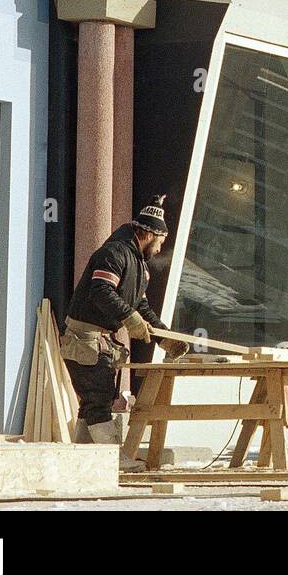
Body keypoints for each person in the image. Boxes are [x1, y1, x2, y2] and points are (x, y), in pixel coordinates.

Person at [60, 195, 188, 469]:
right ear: (148, 233)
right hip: (84, 340)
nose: (160, 247)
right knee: (99, 400)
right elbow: (101, 291)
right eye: (160, 241)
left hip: (98, 341)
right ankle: (113, 460)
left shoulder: (139, 266)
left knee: (93, 401)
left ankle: (78, 462)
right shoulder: (114, 254)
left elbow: (141, 306)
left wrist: (164, 338)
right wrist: (129, 318)